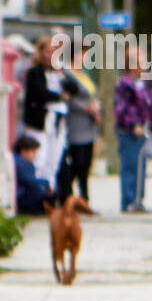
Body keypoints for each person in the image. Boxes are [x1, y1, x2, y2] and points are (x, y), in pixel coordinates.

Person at [54, 44, 100, 208]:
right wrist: (86, 108)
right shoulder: (68, 75)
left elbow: (93, 94)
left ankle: (84, 198)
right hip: (76, 124)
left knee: (86, 163)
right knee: (78, 162)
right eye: (83, 54)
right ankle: (65, 194)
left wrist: (96, 109)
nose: (86, 58)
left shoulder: (84, 75)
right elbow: (69, 99)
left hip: (89, 124)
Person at [21, 36, 69, 185]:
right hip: (40, 121)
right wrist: (59, 96)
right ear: (40, 53)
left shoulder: (59, 73)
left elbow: (73, 88)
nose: (50, 56)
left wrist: (60, 73)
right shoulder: (34, 73)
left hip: (57, 122)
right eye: (48, 52)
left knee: (54, 159)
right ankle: (37, 192)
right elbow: (39, 93)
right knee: (40, 158)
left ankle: (50, 191)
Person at [114, 48, 152, 213]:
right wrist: (134, 125)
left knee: (140, 166)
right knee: (130, 166)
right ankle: (129, 201)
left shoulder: (141, 83)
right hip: (130, 132)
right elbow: (122, 108)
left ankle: (138, 200)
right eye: (142, 61)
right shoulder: (125, 84)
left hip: (142, 130)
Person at [14, 136, 53, 215]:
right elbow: (28, 181)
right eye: (33, 152)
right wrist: (45, 183)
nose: (35, 155)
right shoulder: (20, 163)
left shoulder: (27, 163)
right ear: (23, 151)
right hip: (20, 198)